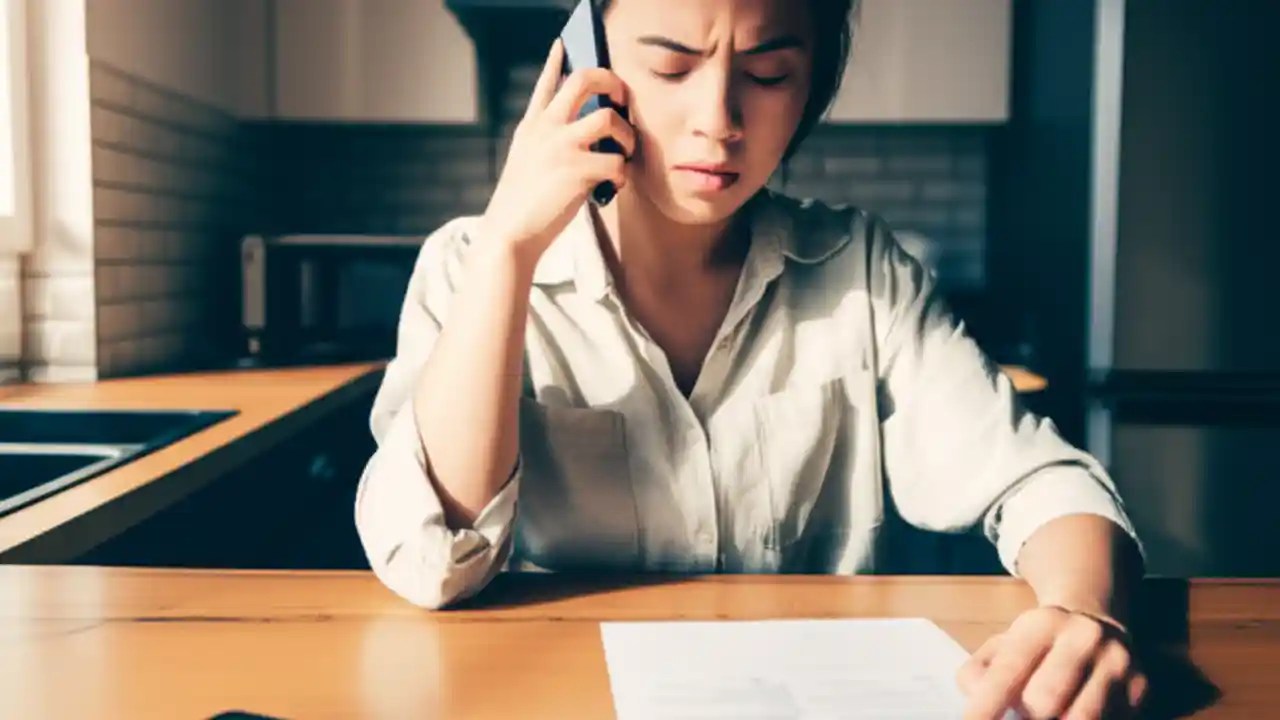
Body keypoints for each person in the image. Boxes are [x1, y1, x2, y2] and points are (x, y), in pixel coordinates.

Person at [354, 0, 1148, 717]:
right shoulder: (472, 265)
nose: (719, 119)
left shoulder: (862, 271)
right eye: (670, 66)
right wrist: (508, 248)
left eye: (769, 73)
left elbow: (1041, 481)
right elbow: (436, 564)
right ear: (587, 61)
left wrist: (1084, 612)